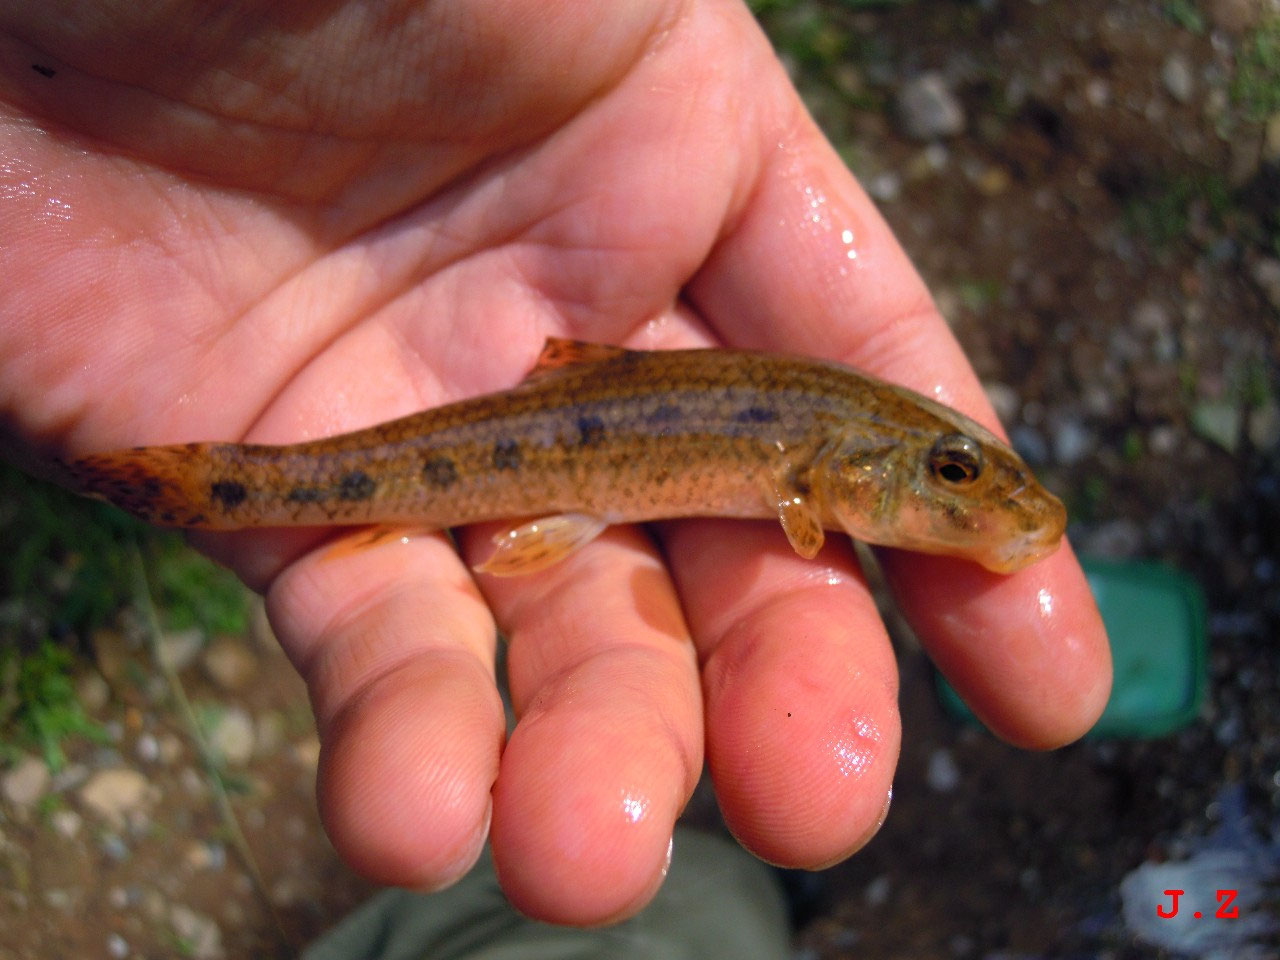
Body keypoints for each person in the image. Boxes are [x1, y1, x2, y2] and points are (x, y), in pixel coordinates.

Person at [0, 0, 1110, 943]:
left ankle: (207, 481)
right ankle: (207, 481)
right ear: (833, 475)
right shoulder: (813, 464)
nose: (975, 501)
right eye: (952, 475)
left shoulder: (829, 439)